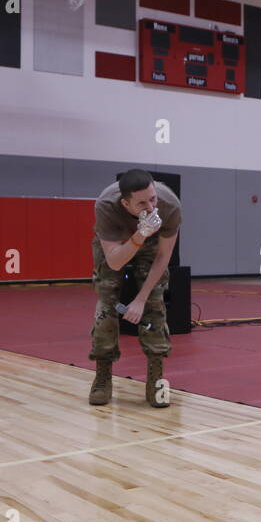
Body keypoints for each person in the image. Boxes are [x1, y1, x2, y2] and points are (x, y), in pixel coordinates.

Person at [89, 170, 182, 408]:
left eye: (153, 199)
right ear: (125, 203)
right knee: (107, 304)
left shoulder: (169, 205)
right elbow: (115, 262)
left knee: (154, 301)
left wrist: (140, 299)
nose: (151, 208)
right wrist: (140, 234)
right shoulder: (106, 207)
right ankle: (103, 375)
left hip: (152, 240)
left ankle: (156, 379)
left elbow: (163, 257)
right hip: (119, 243)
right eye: (142, 203)